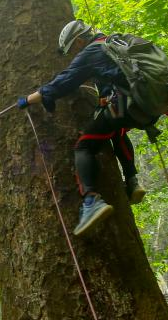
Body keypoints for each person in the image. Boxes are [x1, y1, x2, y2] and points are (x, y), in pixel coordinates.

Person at [17, 19, 151, 236]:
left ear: (79, 40)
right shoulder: (112, 44)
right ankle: (133, 181)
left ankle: (91, 201)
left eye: (74, 48)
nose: (74, 53)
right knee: (116, 131)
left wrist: (30, 98)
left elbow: (63, 81)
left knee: (84, 146)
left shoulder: (90, 51)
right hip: (141, 99)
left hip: (123, 103)